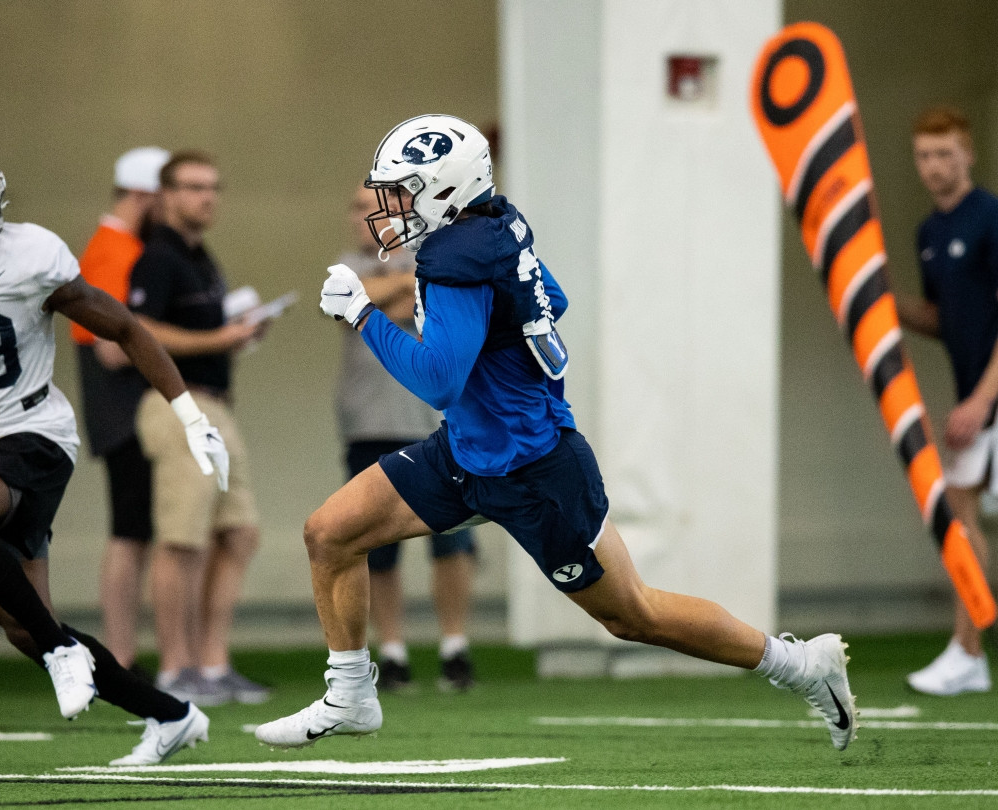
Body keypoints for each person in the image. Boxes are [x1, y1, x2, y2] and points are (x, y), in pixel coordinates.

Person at [255, 114, 858, 752]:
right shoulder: (496, 229)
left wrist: (362, 315)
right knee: (331, 532)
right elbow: (553, 299)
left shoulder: (458, 254)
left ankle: (801, 665)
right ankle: (350, 694)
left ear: (444, 190)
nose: (392, 206)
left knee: (634, 615)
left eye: (405, 191)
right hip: (465, 452)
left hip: (534, 469)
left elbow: (439, 382)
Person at [0, 136, 222, 765]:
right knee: (22, 626)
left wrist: (189, 414)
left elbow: (125, 328)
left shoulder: (31, 255)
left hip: (37, 433)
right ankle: (171, 715)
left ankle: (62, 652)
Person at [128, 151, 270, 706]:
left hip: (216, 405)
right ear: (165, 195)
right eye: (192, 187)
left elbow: (207, 330)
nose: (206, 197)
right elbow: (139, 330)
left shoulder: (201, 257)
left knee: (239, 534)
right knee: (182, 540)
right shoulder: (157, 258)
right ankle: (175, 668)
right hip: (177, 404)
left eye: (212, 187)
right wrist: (221, 341)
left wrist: (240, 334)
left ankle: (211, 665)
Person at [334, 184, 478, 692]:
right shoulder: (347, 265)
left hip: (437, 421)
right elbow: (352, 306)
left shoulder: (434, 257)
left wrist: (389, 287)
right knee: (377, 546)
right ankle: (392, 652)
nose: (363, 216)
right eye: (356, 207)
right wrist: (406, 280)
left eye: (374, 207)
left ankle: (454, 647)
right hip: (369, 424)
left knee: (453, 541)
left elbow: (386, 306)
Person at [894, 106, 997, 696]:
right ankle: (968, 652)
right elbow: (941, 318)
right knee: (960, 518)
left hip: (988, 398)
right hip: (976, 399)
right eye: (924, 156)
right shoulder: (929, 234)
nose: (934, 167)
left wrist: (982, 400)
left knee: (962, 517)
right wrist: (876, 297)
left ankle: (968, 651)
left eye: (945, 154)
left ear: (969, 154)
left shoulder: (992, 218)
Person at [72, 146, 170, 674]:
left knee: (136, 531)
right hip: (122, 408)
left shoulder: (117, 244)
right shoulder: (113, 250)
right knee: (130, 532)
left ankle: (123, 654)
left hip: (124, 408)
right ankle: (120, 655)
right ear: (142, 196)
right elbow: (111, 345)